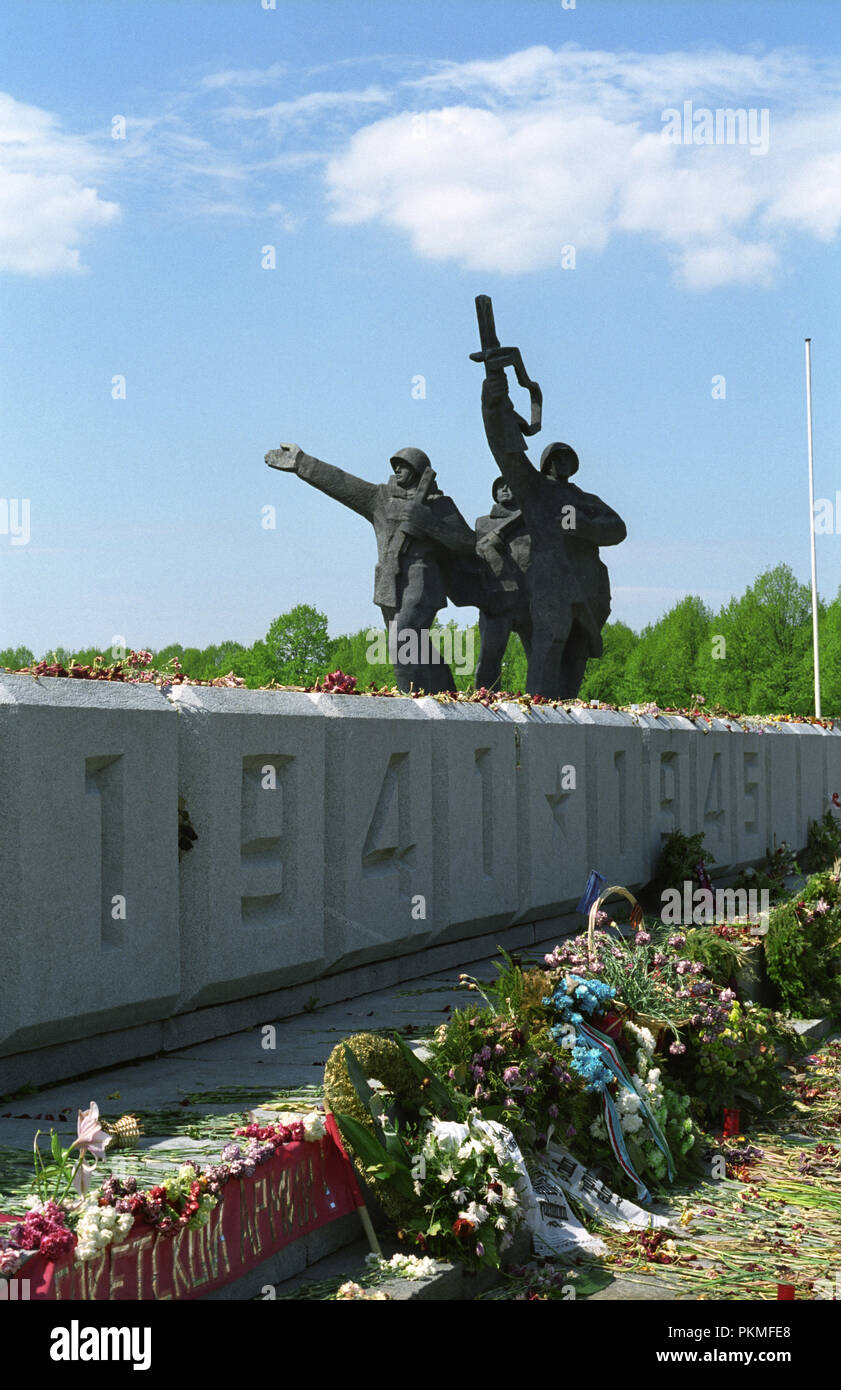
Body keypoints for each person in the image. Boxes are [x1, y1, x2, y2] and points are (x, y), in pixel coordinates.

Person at [266, 442, 476, 693]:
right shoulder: (381, 499)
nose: (398, 468)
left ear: (419, 469)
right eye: (395, 464)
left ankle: (413, 705)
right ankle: (444, 694)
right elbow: (343, 483)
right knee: (417, 645)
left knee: (402, 641)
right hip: (389, 582)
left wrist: (429, 523)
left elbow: (467, 542)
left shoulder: (439, 504)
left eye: (405, 465)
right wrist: (303, 462)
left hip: (422, 579)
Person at [480, 374, 627, 699]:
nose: (563, 463)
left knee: (578, 647)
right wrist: (492, 403)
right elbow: (505, 450)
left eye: (567, 458)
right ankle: (541, 710)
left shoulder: (584, 497)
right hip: (550, 582)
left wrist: (585, 527)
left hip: (586, 585)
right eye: (557, 458)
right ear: (547, 463)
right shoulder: (534, 489)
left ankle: (567, 711)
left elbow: (618, 528)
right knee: (551, 641)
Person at [474, 476, 532, 691]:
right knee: (489, 656)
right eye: (499, 485)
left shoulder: (533, 521)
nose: (505, 488)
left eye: (510, 483)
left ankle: (543, 707)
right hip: (496, 600)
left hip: (530, 599)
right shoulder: (483, 523)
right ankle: (485, 703)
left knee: (538, 660)